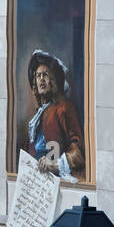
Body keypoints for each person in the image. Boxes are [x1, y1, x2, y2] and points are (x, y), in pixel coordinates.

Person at [25, 50, 84, 181]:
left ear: (54, 80)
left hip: (56, 179)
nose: (41, 79)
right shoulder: (37, 116)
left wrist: (55, 165)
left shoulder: (64, 108)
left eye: (45, 75)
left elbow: (78, 150)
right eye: (38, 76)